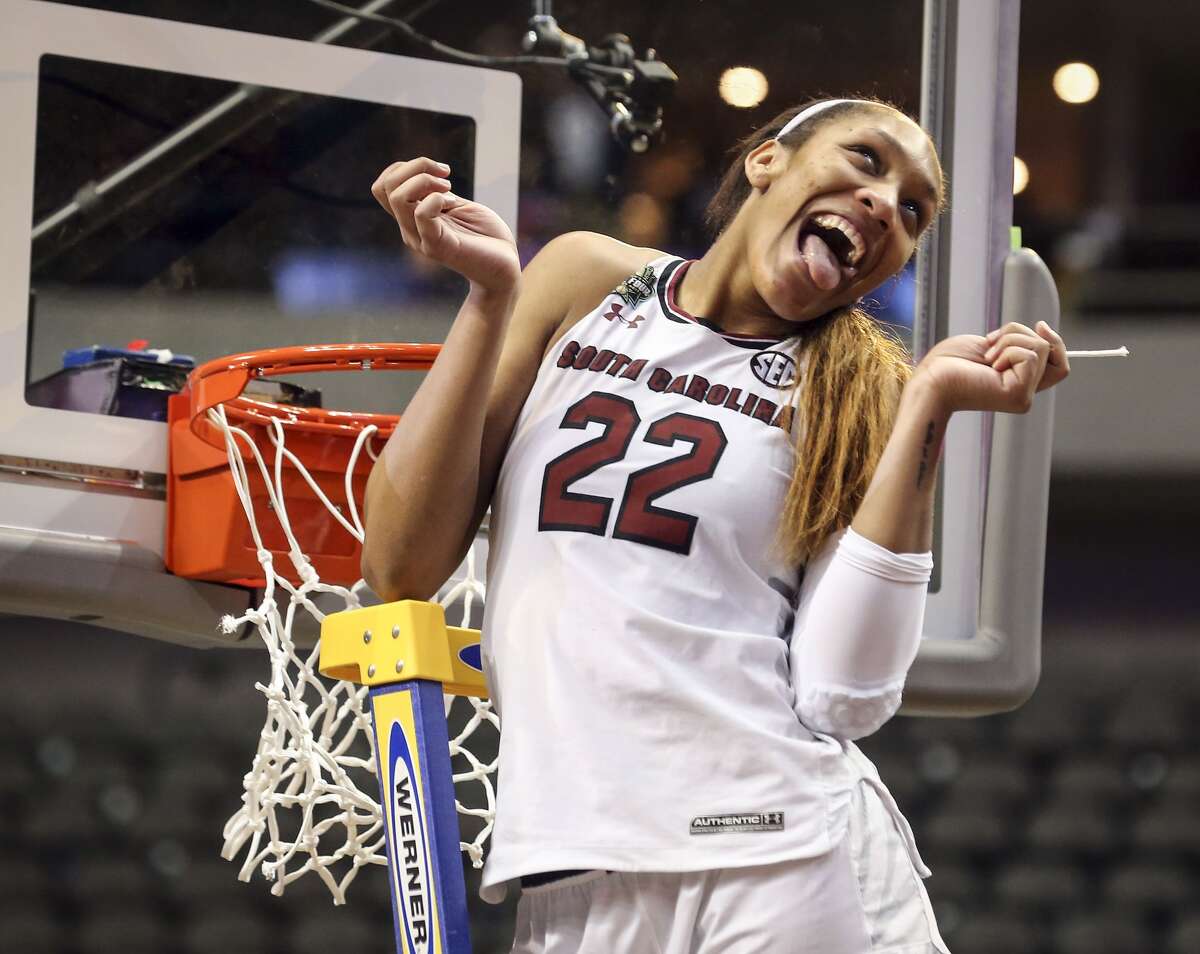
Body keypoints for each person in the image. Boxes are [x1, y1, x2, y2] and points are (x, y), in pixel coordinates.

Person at [360, 98, 1070, 953]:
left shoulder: (855, 393)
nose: (887, 203)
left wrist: (930, 407)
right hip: (575, 872)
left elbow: (843, 694)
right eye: (866, 162)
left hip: (781, 852)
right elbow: (397, 568)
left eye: (914, 209)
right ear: (769, 161)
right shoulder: (585, 276)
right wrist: (489, 298)